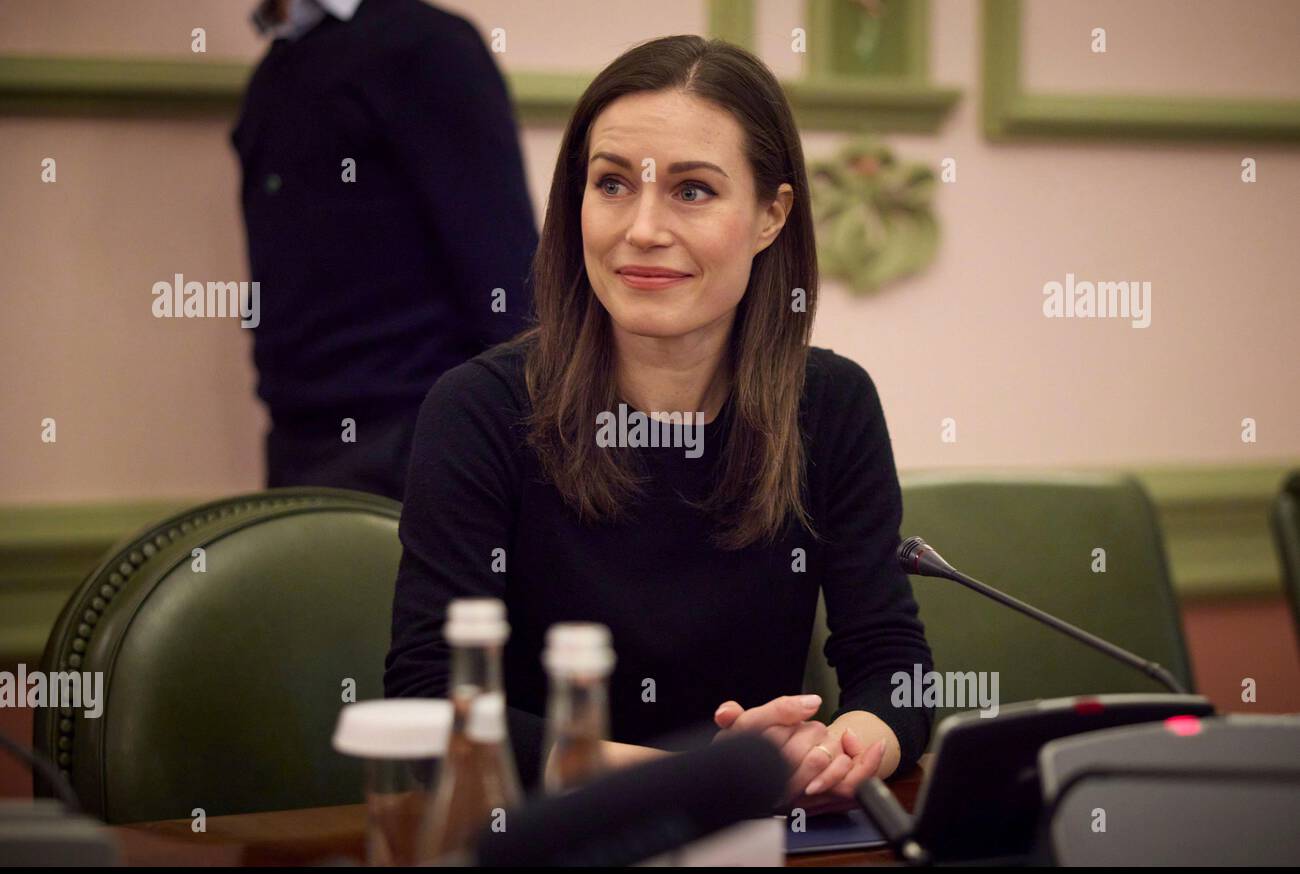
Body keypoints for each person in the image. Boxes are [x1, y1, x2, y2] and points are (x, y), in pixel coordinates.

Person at [386, 34, 934, 814]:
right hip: (544, 836)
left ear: (772, 215)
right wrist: (693, 778)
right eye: (611, 183)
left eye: (692, 191)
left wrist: (853, 742)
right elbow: (430, 708)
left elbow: (890, 661)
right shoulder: (478, 410)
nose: (642, 228)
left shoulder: (832, 404)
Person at [233, 0, 537, 501]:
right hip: (296, 441)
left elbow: (506, 279)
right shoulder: (275, 67)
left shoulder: (427, 46)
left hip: (412, 441)